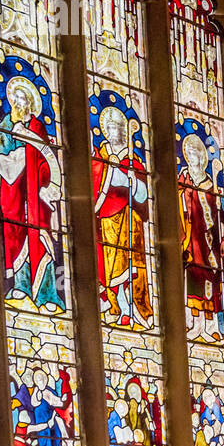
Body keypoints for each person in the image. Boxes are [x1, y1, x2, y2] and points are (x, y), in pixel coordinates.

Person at [0, 74, 65, 312]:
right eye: (14, 99)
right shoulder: (4, 125)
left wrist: (48, 186)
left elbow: (47, 161)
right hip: (13, 195)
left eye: (23, 99)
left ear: (31, 103)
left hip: (36, 198)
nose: (18, 103)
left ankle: (47, 294)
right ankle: (22, 286)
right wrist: (14, 157)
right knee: (17, 239)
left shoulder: (36, 128)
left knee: (40, 240)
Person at [92, 106, 153, 328]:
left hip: (131, 219)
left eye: (117, 127)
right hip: (108, 218)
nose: (114, 131)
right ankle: (119, 306)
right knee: (111, 267)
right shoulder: (102, 155)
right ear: (105, 131)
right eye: (109, 127)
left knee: (133, 266)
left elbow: (143, 194)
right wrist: (114, 174)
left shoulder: (133, 159)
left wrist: (133, 181)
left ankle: (135, 309)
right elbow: (96, 178)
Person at [179, 132, 224, 341]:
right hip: (192, 239)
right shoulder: (184, 177)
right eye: (188, 153)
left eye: (195, 153)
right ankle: (195, 323)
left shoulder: (210, 183)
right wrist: (185, 195)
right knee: (194, 280)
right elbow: (180, 206)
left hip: (209, 242)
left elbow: (219, 214)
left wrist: (223, 234)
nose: (192, 157)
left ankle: (210, 325)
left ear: (201, 156)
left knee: (211, 279)